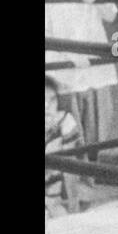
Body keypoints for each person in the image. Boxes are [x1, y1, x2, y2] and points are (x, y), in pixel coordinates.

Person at [44, 0, 118, 158]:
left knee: (99, 125)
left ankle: (92, 175)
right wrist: (68, 57)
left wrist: (97, 1)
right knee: (71, 129)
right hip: (65, 73)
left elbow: (112, 16)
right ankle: (74, 180)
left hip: (97, 70)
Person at [45, 76, 83, 217]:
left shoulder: (65, 122)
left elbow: (70, 170)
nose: (47, 106)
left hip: (54, 197)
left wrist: (73, 207)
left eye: (52, 100)